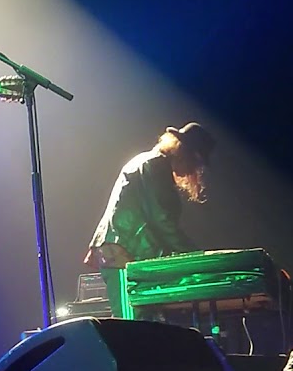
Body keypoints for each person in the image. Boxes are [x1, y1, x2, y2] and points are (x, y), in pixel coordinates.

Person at [82, 122, 215, 318]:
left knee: (142, 326)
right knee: (131, 325)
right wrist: (196, 258)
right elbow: (161, 219)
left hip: (123, 253)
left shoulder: (150, 162)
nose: (193, 171)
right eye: (195, 162)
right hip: (121, 254)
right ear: (183, 151)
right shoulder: (154, 164)